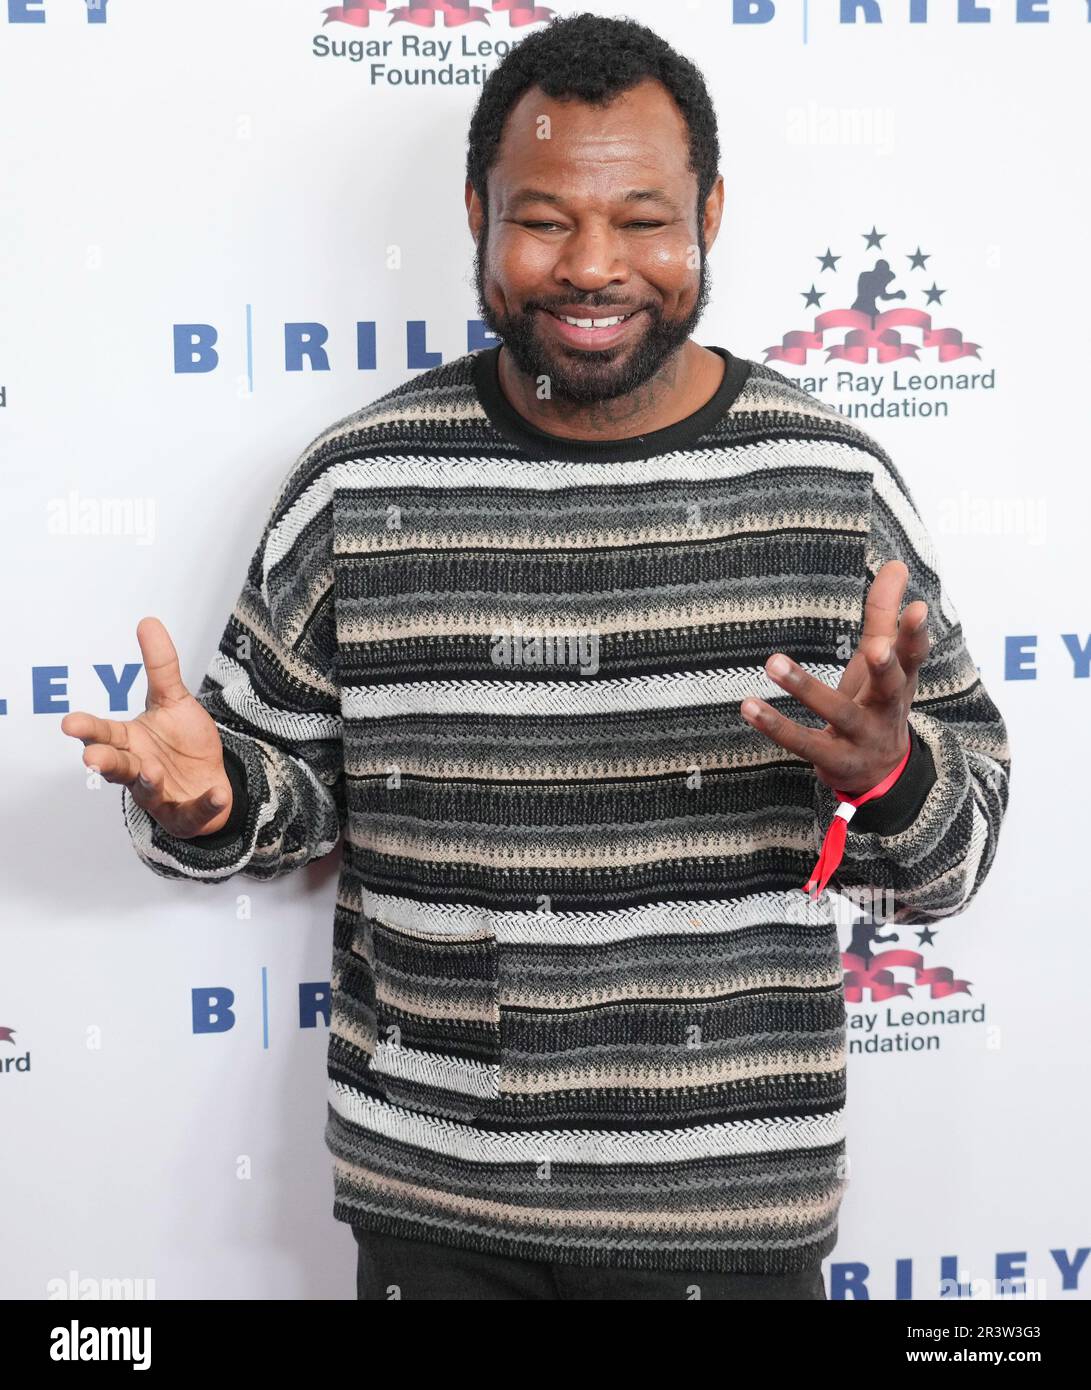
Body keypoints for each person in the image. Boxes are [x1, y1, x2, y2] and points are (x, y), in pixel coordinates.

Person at [61, 13, 1011, 1301]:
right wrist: (212, 798)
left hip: (730, 1227)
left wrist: (895, 775)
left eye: (641, 218)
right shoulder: (364, 479)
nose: (593, 266)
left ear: (711, 213)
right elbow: (268, 790)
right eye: (546, 218)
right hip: (435, 1215)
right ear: (476, 214)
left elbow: (956, 860)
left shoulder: (829, 491)